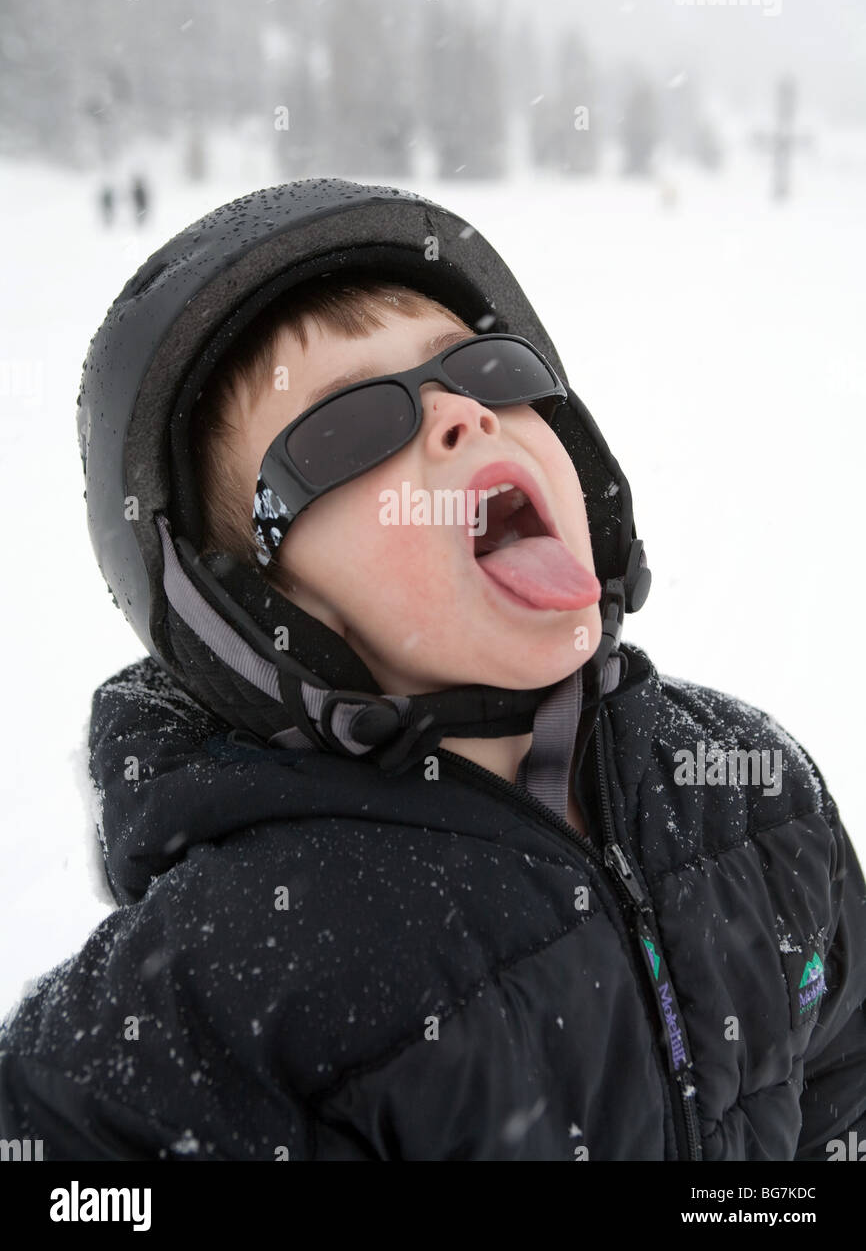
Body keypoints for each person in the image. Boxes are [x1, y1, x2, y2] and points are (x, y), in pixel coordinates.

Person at [1, 178, 864, 1161]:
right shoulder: (218, 991)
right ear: (254, 611)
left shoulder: (749, 796)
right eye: (349, 427)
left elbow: (837, 1076)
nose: (461, 411)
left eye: (490, 368)